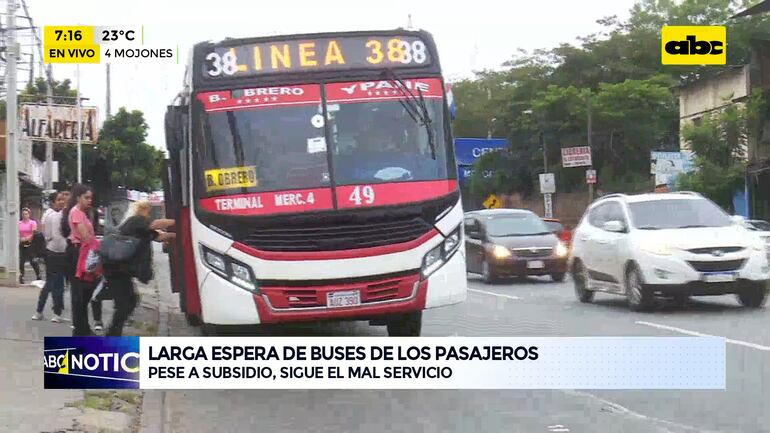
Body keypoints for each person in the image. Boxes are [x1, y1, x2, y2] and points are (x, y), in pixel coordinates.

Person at [104, 201, 175, 336]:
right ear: (142, 210)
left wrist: (174, 235)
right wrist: (177, 221)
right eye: (148, 211)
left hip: (121, 269)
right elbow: (155, 225)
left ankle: (114, 331)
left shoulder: (140, 227)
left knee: (130, 301)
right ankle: (112, 334)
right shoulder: (136, 220)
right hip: (116, 268)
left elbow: (159, 237)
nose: (149, 214)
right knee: (126, 303)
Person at [63, 184, 101, 336]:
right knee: (80, 292)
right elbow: (85, 236)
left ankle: (82, 327)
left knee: (84, 292)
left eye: (91, 198)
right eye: (86, 197)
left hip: (84, 251)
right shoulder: (77, 213)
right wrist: (96, 246)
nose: (89, 200)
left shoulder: (83, 213)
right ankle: (80, 328)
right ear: (78, 197)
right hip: (78, 252)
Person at [32, 192, 68, 322]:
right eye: (59, 200)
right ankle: (56, 313)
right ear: (53, 202)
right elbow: (49, 235)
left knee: (50, 283)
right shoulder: (57, 215)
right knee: (58, 284)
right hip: (58, 252)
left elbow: (46, 235)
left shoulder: (47, 214)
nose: (62, 202)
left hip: (51, 251)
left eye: (63, 200)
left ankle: (39, 311)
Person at [18, 208, 41, 284]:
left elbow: (34, 233)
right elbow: (17, 232)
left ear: (29, 215)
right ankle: (22, 276)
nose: (24, 215)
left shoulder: (32, 222)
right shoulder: (19, 223)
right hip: (22, 242)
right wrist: (21, 238)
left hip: (30, 243)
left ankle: (38, 275)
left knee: (33, 260)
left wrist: (27, 238)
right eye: (23, 214)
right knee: (21, 261)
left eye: (26, 214)